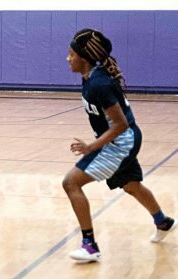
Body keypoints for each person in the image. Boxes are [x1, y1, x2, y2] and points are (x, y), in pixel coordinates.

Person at [63, 28, 177, 263]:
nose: (68, 58)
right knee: (131, 185)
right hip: (124, 139)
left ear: (83, 58)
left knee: (71, 182)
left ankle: (90, 245)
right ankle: (163, 221)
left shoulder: (99, 84)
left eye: (70, 54)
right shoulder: (91, 78)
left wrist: (92, 146)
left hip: (121, 142)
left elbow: (120, 124)